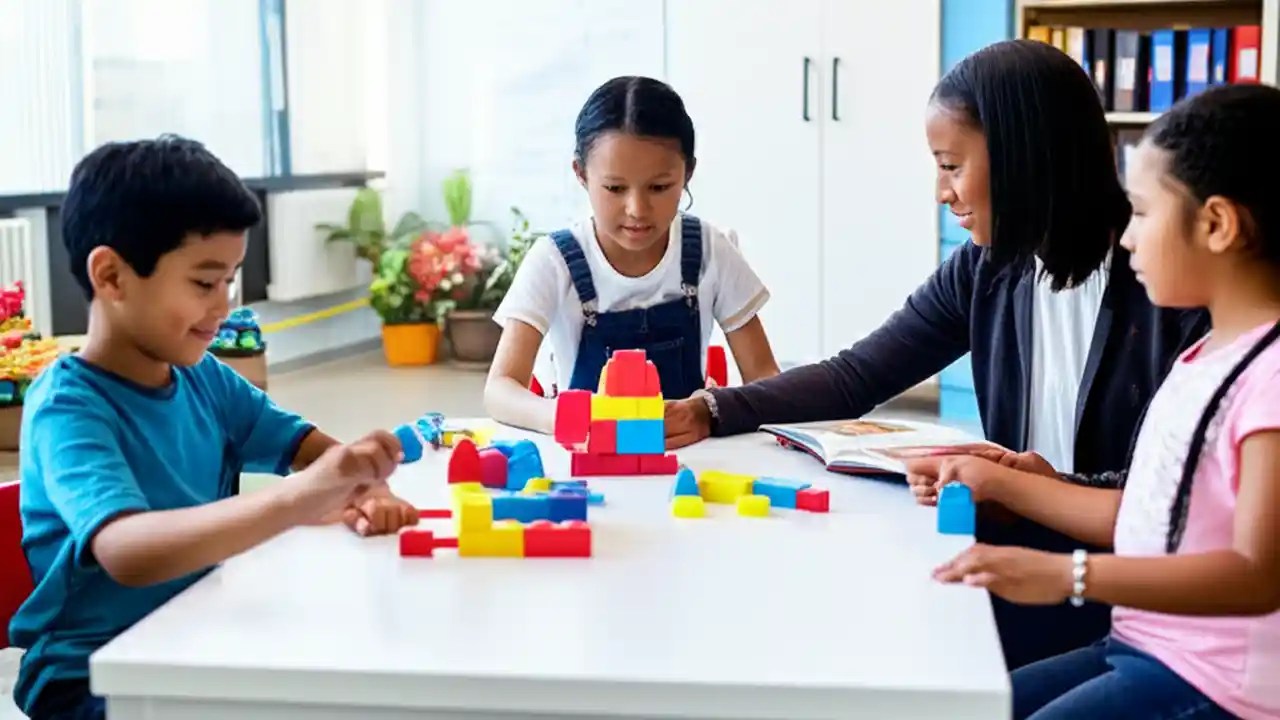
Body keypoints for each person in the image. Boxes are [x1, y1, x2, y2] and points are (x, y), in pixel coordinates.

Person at [663, 39, 1209, 669]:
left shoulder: (1169, 284)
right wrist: (713, 408)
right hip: (1012, 544)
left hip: (1117, 582)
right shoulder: (987, 269)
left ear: (1020, 156)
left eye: (951, 165)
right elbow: (857, 375)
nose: (941, 192)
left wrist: (1034, 485)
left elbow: (1164, 503)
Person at [9, 136, 420, 720]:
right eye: (204, 283)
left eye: (230, 280)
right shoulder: (69, 407)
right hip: (91, 679)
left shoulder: (202, 377)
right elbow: (128, 552)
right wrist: (303, 497)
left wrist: (360, 481)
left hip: (196, 634)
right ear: (112, 276)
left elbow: (308, 448)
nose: (224, 305)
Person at [932, 83, 1280, 720]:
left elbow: (1258, 573)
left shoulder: (1271, 378)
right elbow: (1153, 518)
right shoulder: (1205, 358)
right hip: (1144, 642)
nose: (1126, 239)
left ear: (1218, 224)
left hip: (1215, 682)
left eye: (1143, 214)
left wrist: (1069, 576)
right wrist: (1017, 485)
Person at [485, 75, 780, 433]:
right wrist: (567, 417)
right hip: (585, 464)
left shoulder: (709, 249)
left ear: (688, 172)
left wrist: (712, 411)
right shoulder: (555, 260)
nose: (637, 209)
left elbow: (765, 379)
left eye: (659, 187)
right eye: (614, 187)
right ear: (581, 174)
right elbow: (500, 389)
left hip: (690, 463)